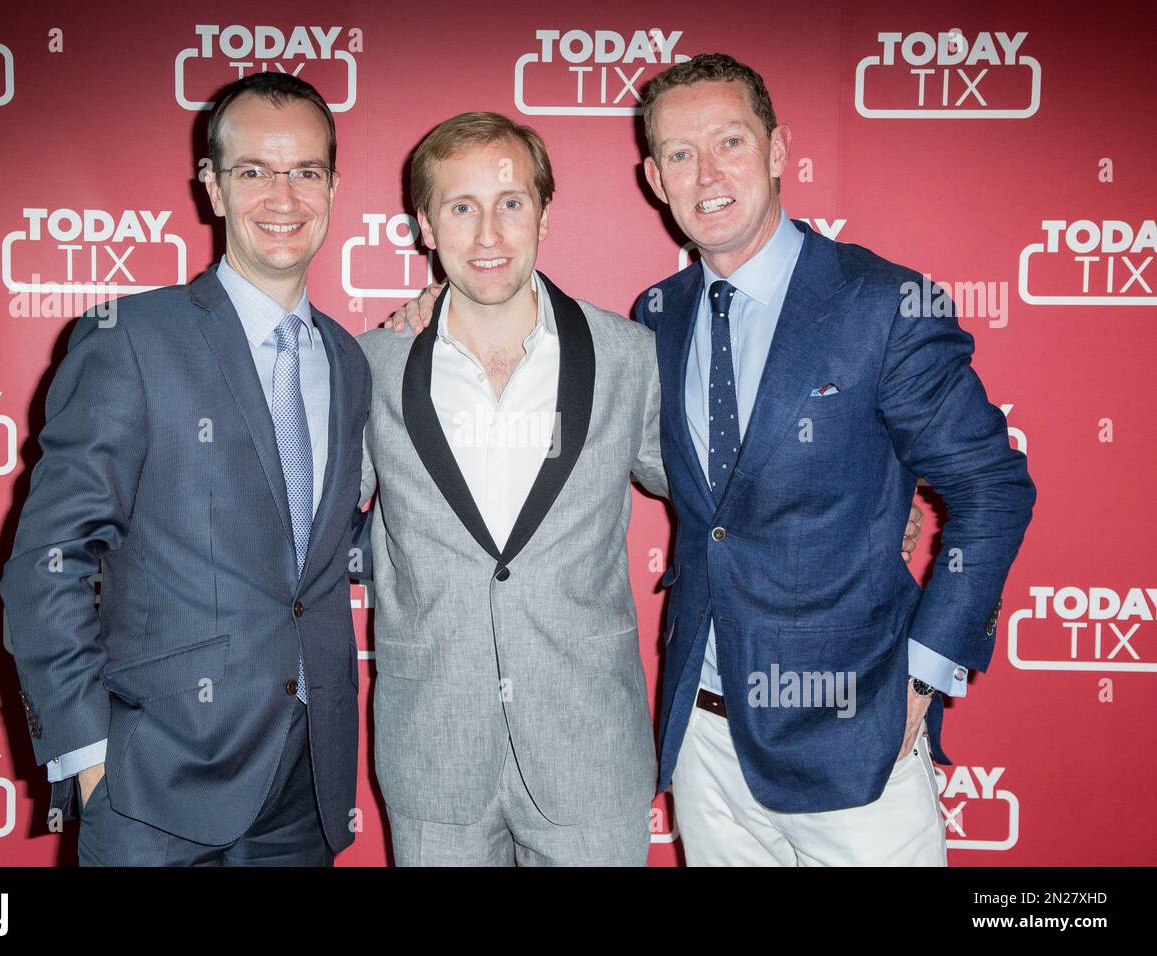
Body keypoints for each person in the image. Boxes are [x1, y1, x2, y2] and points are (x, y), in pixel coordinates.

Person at [635, 54, 1034, 865]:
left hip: (856, 745)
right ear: (653, 177)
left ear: (779, 151)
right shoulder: (658, 315)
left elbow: (991, 486)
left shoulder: (881, 304)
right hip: (707, 749)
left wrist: (922, 681)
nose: (705, 173)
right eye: (679, 153)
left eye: (731, 142)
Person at [0, 73, 371, 865]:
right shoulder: (132, 337)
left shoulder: (349, 360)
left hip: (305, 788)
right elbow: (48, 562)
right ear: (212, 187)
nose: (283, 195)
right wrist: (90, 761)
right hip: (152, 790)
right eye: (253, 172)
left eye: (305, 171)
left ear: (334, 187)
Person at [356, 112, 666, 865]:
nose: (488, 234)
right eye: (461, 208)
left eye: (511, 203)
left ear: (545, 213)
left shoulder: (628, 358)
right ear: (425, 225)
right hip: (434, 756)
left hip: (590, 757)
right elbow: (301, 527)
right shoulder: (370, 366)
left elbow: (723, 496)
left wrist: (870, 510)